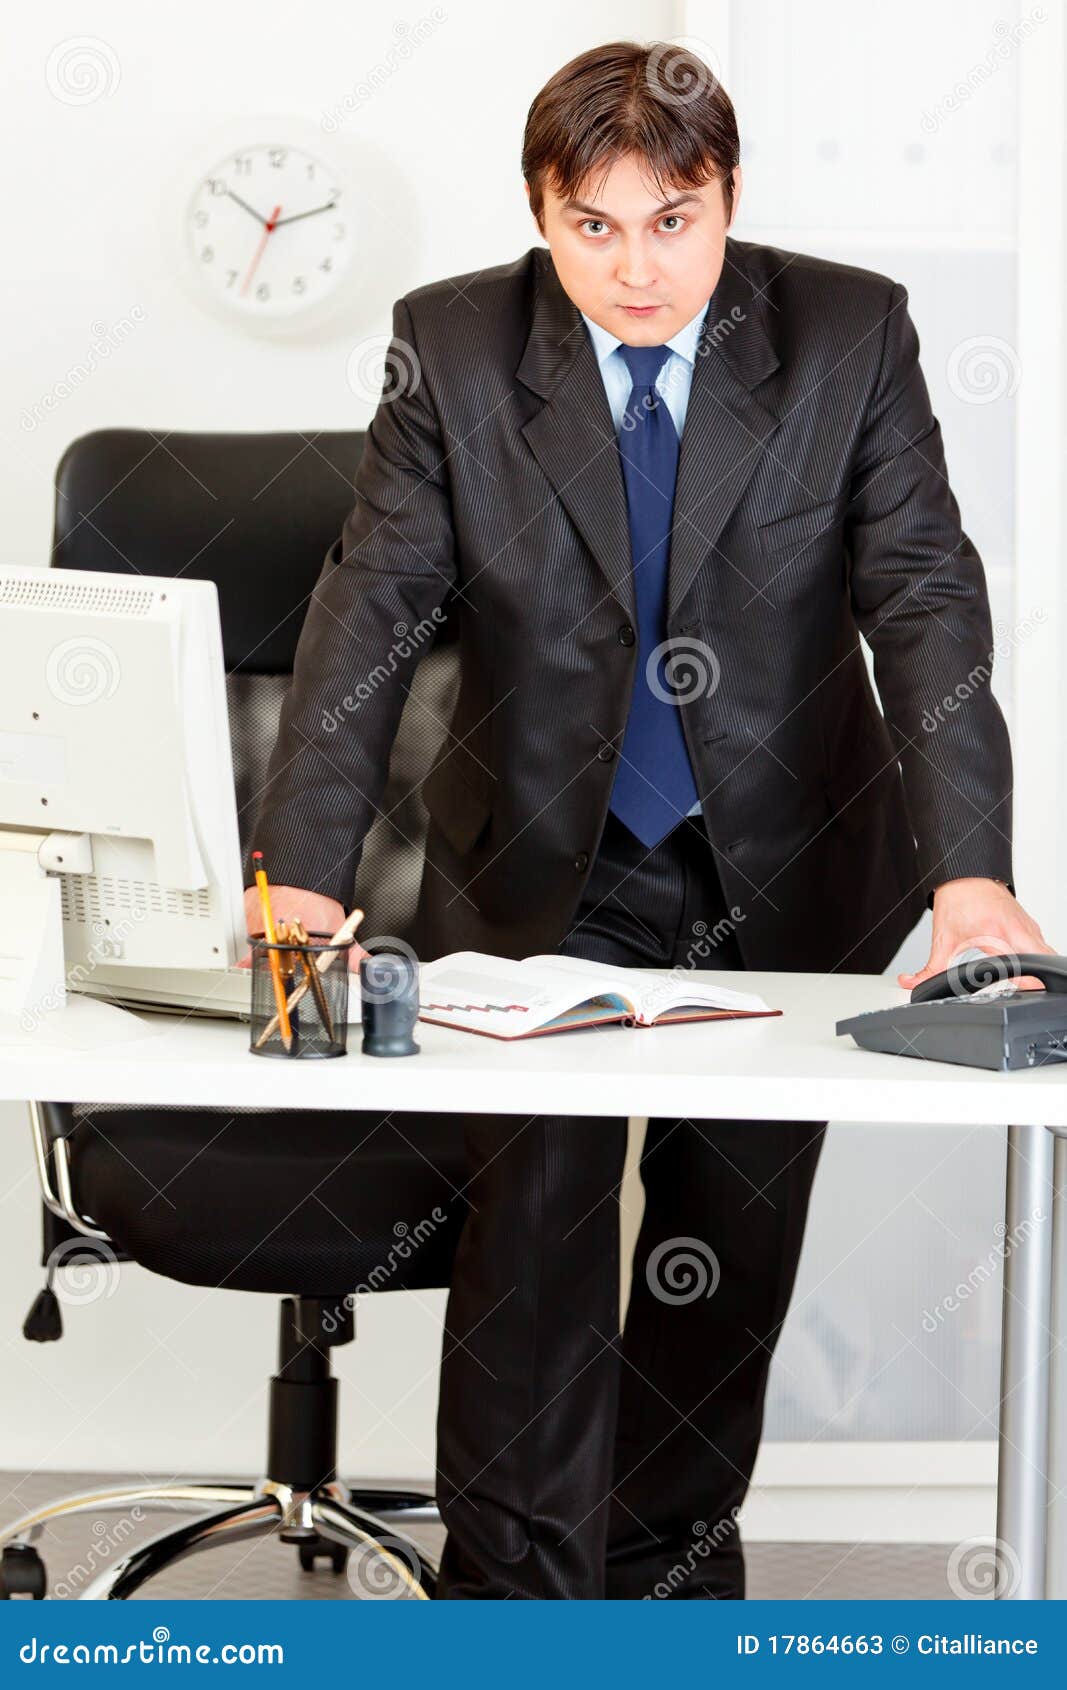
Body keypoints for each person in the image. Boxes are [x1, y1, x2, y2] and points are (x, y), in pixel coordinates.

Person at [244, 41, 1052, 1598]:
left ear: (727, 202)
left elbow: (927, 599)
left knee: (727, 1230)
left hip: (790, 856)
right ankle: (510, 1593)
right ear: (542, 215)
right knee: (534, 1212)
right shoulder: (455, 347)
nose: (637, 267)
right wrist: (300, 874)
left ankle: (668, 1578)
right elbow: (370, 613)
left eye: (673, 221)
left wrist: (971, 874)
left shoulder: (849, 334)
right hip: (548, 858)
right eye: (593, 225)